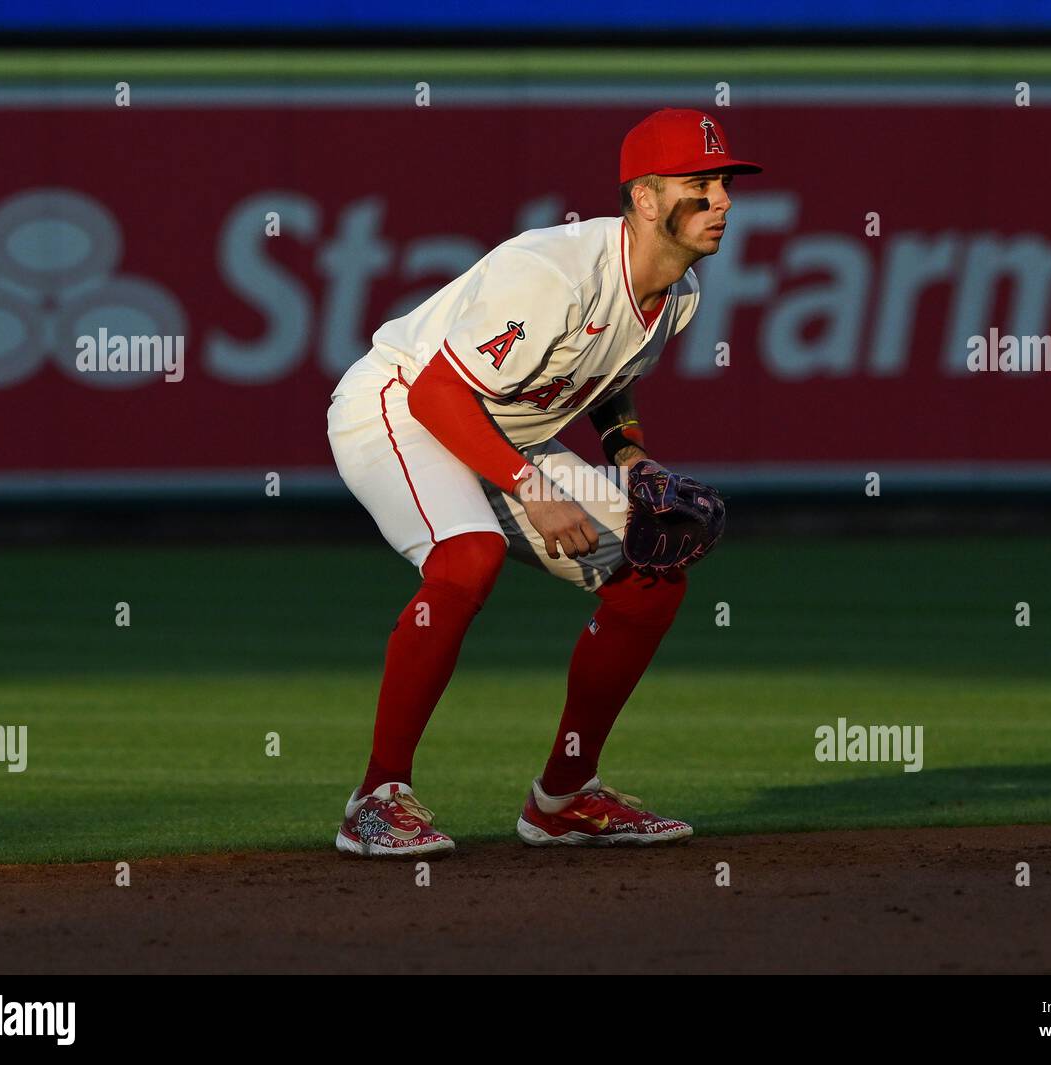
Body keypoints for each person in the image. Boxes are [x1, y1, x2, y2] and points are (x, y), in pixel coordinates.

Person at [326, 108, 761, 855]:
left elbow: (606, 379)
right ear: (647, 198)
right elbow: (435, 395)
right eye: (701, 183)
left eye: (724, 181)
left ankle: (564, 796)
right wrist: (532, 486)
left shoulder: (678, 295)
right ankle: (376, 795)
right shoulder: (554, 273)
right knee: (468, 556)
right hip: (396, 408)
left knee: (652, 575)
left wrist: (629, 456)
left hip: (503, 435)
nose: (722, 198)